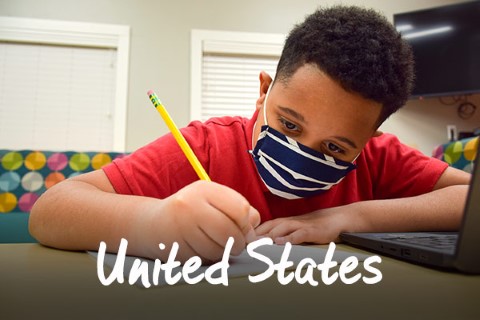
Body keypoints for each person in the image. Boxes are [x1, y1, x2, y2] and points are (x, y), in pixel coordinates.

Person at [29, 5, 470, 264]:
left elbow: (469, 197)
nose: (300, 153)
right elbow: (50, 210)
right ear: (264, 91)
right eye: (289, 123)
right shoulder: (206, 145)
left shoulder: (379, 159)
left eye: (335, 148)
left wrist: (346, 218)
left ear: (369, 140)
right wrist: (155, 223)